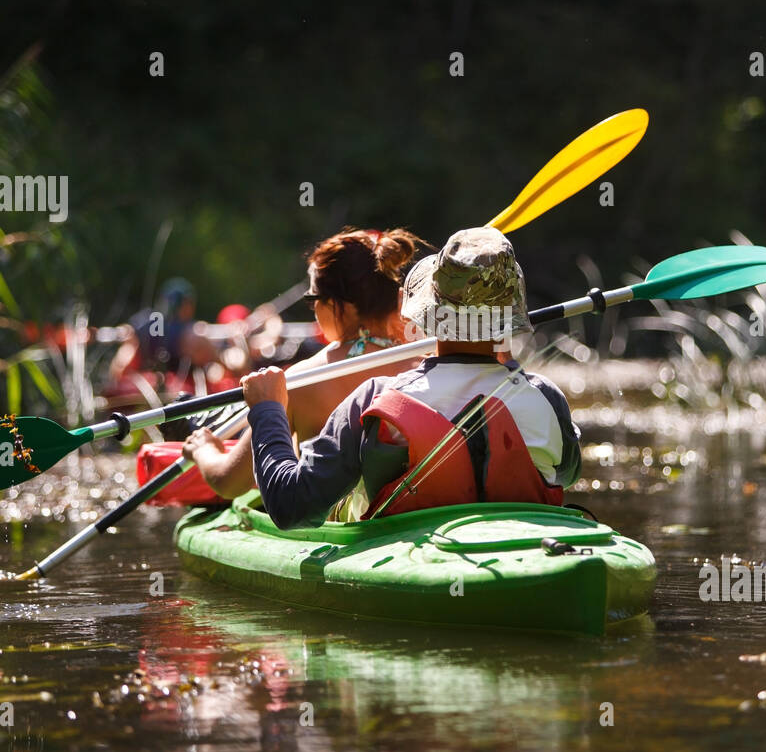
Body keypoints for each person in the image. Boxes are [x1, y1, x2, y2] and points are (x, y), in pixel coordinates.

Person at [220, 227, 582, 530]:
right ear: (508, 319)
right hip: (525, 542)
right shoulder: (547, 397)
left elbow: (289, 506)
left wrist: (267, 410)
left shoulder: (376, 400)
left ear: (429, 313)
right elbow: (566, 474)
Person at [182, 228, 427, 499]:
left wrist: (203, 449)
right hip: (406, 510)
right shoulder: (424, 365)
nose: (314, 311)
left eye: (313, 300)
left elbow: (228, 482)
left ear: (339, 306)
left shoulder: (301, 379)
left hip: (333, 526)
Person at [107, 278, 245, 390]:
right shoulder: (193, 335)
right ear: (186, 304)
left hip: (146, 388)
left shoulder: (145, 323)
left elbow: (120, 369)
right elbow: (222, 368)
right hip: (175, 393)